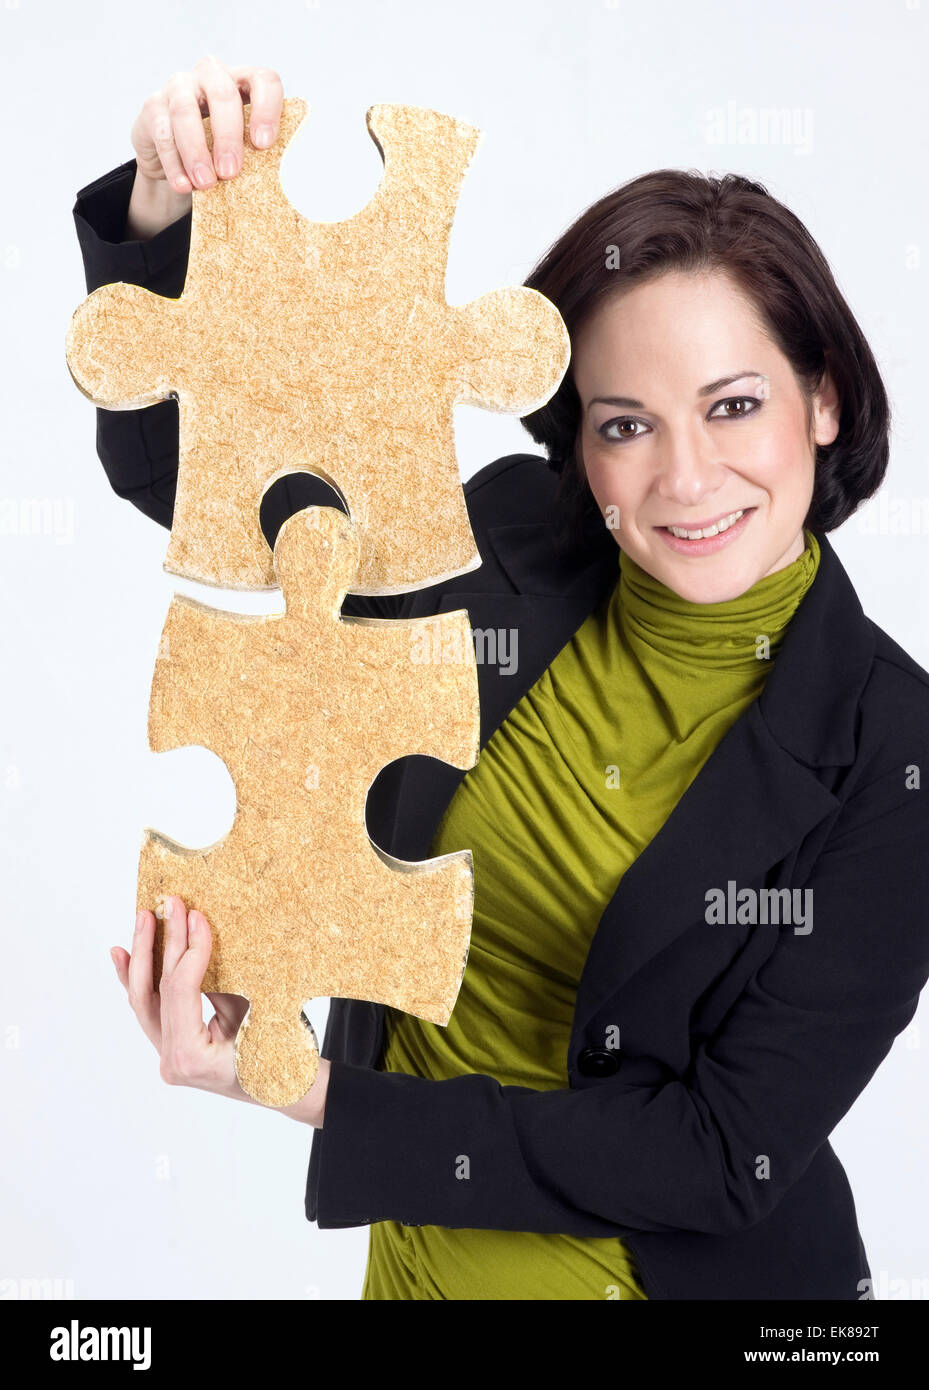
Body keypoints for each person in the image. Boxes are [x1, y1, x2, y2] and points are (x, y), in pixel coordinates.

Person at [74, 55, 929, 1301]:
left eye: (733, 405)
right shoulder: (513, 537)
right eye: (625, 422)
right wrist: (163, 210)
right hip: (413, 1274)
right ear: (576, 442)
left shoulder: (890, 753)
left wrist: (312, 1091)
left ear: (824, 401)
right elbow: (209, 486)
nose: (684, 479)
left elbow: (717, 1154)